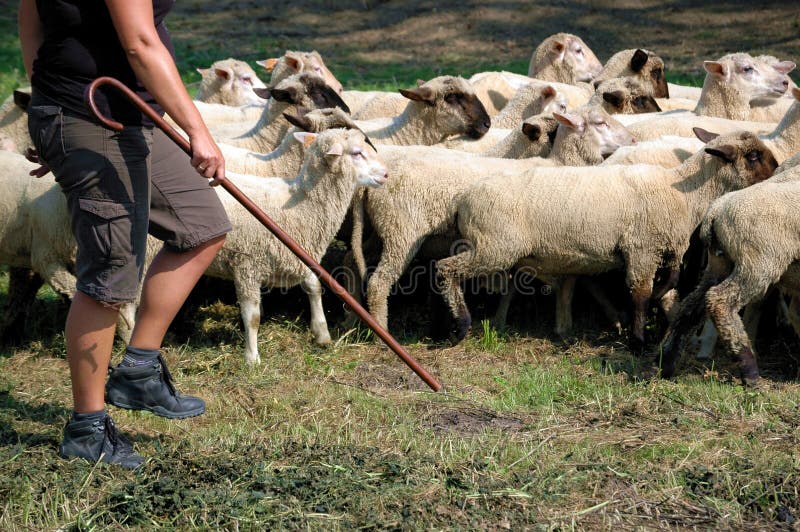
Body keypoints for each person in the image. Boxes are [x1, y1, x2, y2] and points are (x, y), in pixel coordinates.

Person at [18, 0, 233, 468]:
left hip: (129, 110)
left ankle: (137, 372)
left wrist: (44, 105)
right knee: (110, 276)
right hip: (90, 115)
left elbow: (31, 24)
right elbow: (138, 42)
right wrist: (198, 130)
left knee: (202, 226)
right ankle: (87, 429)